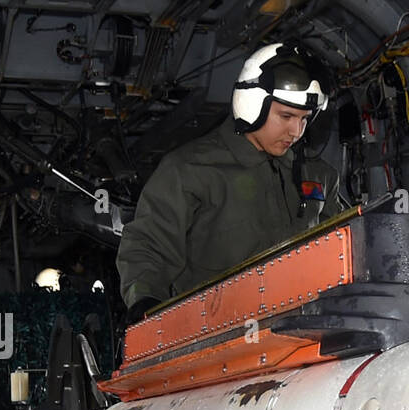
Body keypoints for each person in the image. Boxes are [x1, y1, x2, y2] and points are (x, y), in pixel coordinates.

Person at [116, 42, 342, 318]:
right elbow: (149, 245)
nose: (296, 131)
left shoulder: (319, 176)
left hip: (300, 332)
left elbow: (341, 244)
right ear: (252, 103)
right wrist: (145, 301)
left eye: (305, 119)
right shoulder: (191, 170)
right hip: (215, 334)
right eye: (286, 116)